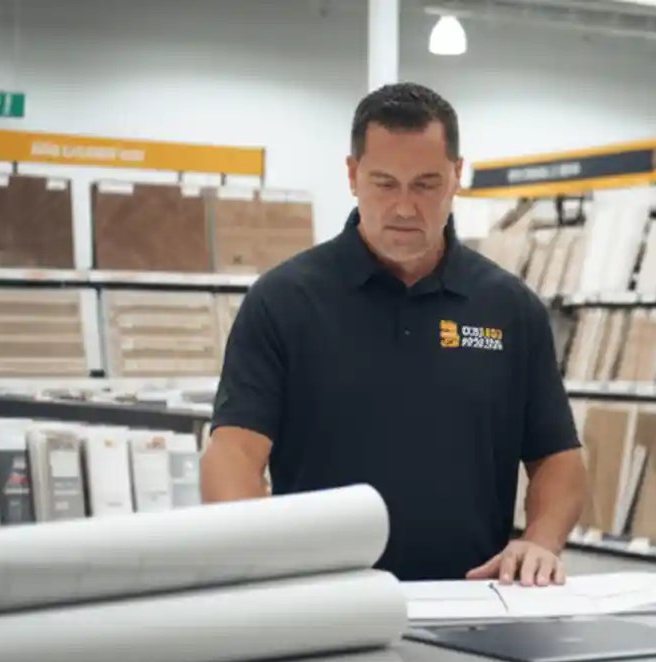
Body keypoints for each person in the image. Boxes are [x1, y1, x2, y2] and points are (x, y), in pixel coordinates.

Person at [200, 82, 587, 585]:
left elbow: (558, 457)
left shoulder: (510, 310)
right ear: (352, 174)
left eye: (425, 184)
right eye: (385, 183)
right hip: (321, 599)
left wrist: (540, 541)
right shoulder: (283, 302)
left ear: (456, 176)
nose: (405, 208)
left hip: (472, 600)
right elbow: (232, 452)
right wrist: (259, 565)